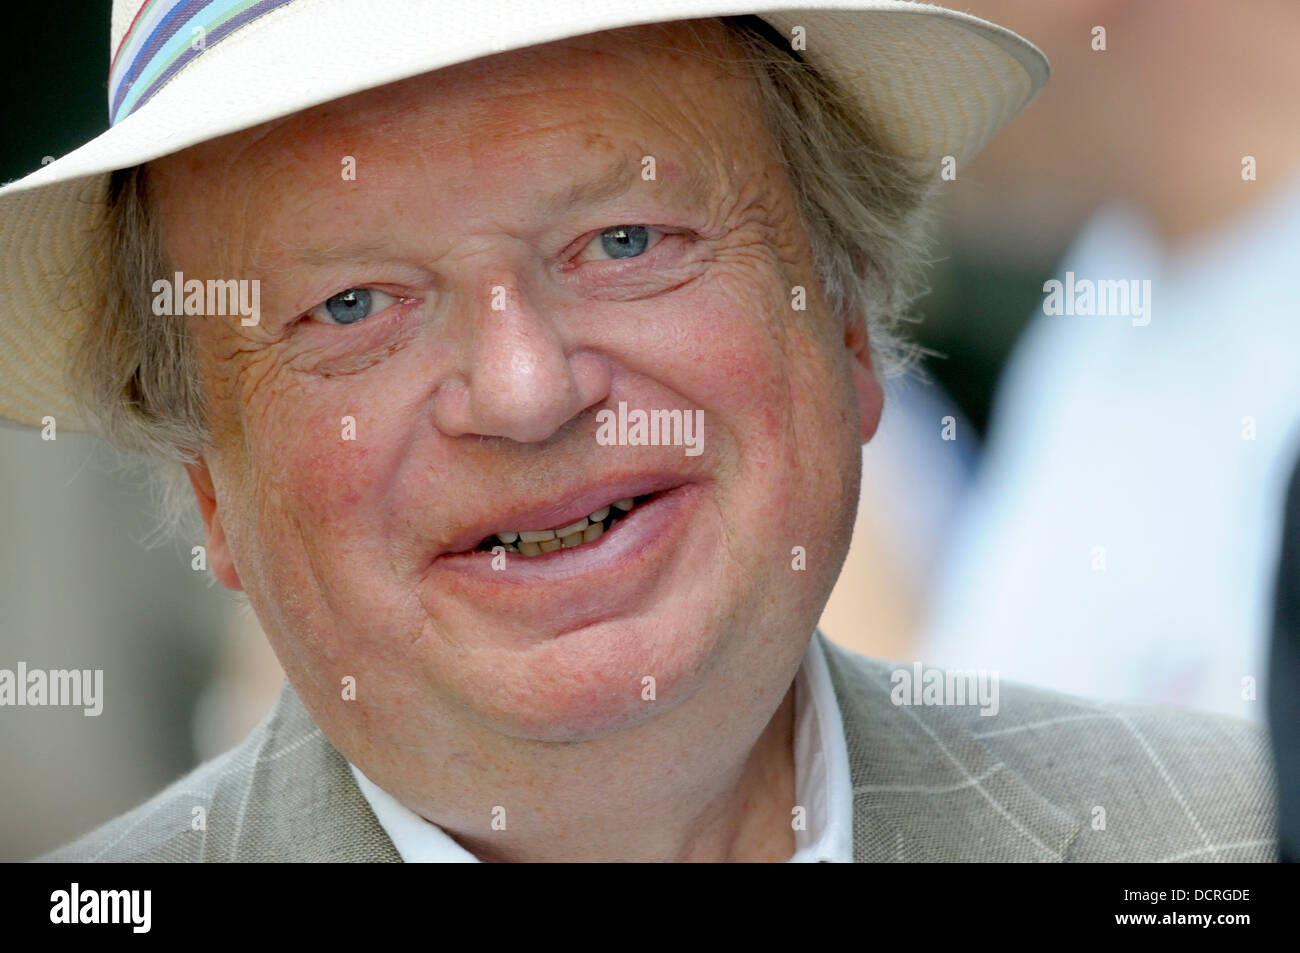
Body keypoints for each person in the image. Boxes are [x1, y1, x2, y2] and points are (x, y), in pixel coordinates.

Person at [0, 0, 1275, 862]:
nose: (522, 388)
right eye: (352, 305)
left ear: (842, 319)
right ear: (210, 487)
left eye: (623, 239)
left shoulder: (1230, 838)